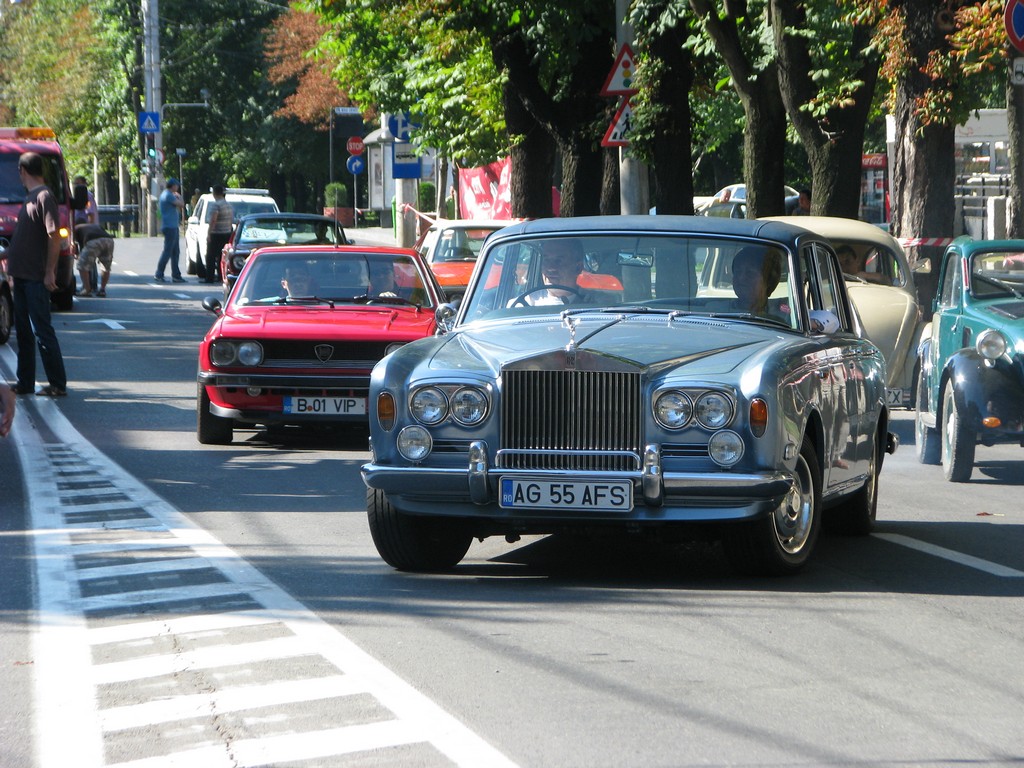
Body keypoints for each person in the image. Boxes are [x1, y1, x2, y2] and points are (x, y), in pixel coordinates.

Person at [6, 152, 69, 397]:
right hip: (21, 277)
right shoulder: (30, 198)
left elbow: (54, 235)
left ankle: (57, 384)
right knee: (22, 331)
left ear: (23, 171)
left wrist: (49, 271)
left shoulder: (44, 197)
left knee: (41, 330)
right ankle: (25, 382)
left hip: (35, 278)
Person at [515, 239, 587, 306]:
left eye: (558, 261)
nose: (550, 268)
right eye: (546, 260)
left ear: (578, 268)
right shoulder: (525, 304)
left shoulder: (596, 303)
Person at [730, 246, 783, 316]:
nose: (741, 278)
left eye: (750, 273)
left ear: (769, 280)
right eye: (738, 271)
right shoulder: (716, 311)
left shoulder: (782, 320)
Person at [154, 177, 186, 283]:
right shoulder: (168, 195)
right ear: (173, 186)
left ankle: (176, 275)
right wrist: (179, 197)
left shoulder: (167, 194)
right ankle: (159, 273)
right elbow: (181, 204)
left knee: (175, 251)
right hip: (170, 227)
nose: (178, 187)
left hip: (172, 226)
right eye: (177, 185)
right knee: (168, 251)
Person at [74, 222, 115, 297]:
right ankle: (102, 289)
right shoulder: (94, 225)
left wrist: (77, 255)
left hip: (93, 241)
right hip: (109, 240)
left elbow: (76, 245)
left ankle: (87, 289)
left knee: (81, 266)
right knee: (105, 267)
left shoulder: (75, 228)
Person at [203, 184, 234, 283]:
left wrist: (209, 233)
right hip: (226, 233)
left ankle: (209, 277)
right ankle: (221, 276)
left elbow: (213, 220)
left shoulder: (216, 205)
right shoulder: (228, 205)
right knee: (222, 256)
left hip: (216, 233)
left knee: (211, 256)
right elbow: (231, 219)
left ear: (214, 193)